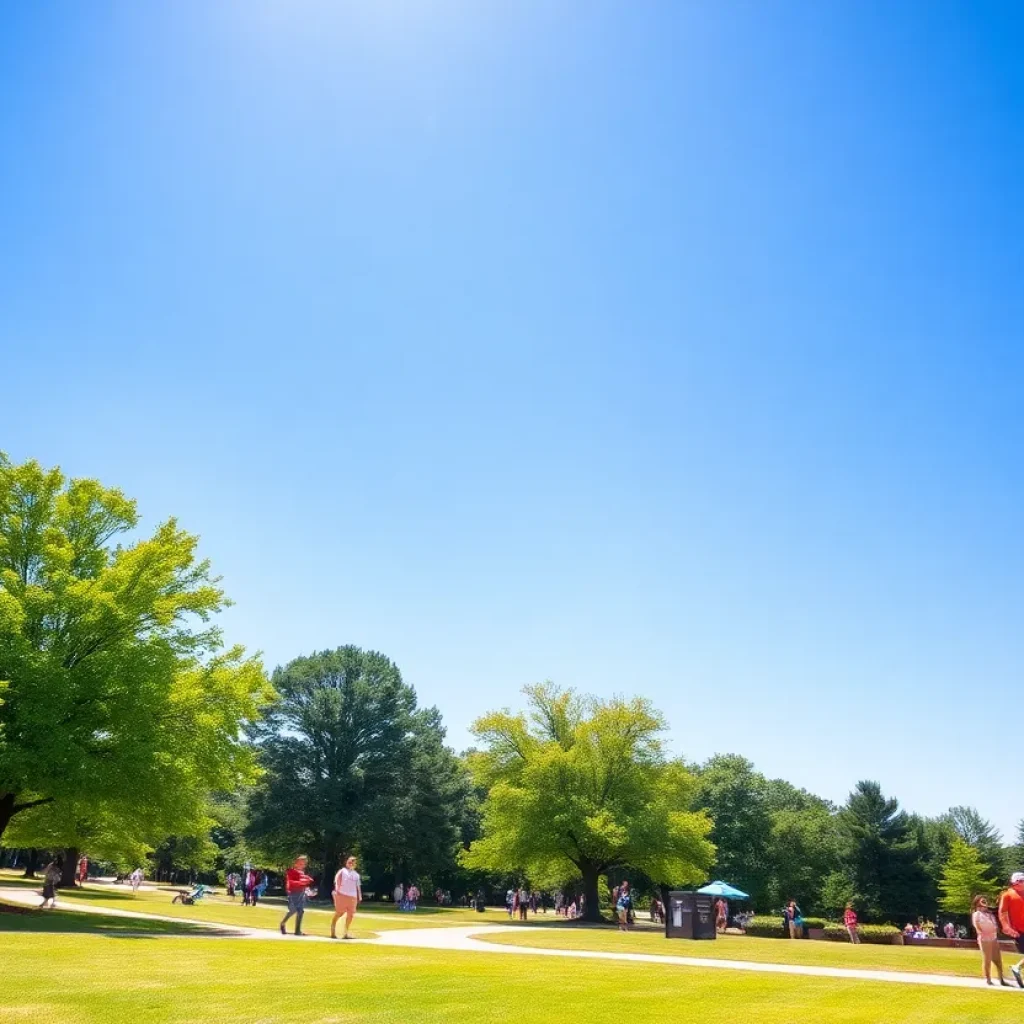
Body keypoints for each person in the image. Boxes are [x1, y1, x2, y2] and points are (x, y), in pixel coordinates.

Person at [972, 894, 1009, 986]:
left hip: (993, 938)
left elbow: (995, 924)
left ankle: (1001, 979)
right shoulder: (976, 914)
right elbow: (976, 925)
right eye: (982, 901)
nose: (985, 902)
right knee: (987, 959)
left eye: (985, 901)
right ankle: (988, 979)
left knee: (998, 960)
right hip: (985, 939)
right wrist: (980, 932)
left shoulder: (989, 914)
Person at [998, 871, 1024, 987]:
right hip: (1019, 930)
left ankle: (1017, 967)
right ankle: (1017, 967)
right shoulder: (1007, 895)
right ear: (1015, 882)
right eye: (1021, 881)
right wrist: (1006, 927)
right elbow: (1003, 912)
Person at [280, 855, 314, 937]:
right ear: (295, 864)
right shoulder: (291, 872)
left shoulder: (302, 873)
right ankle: (286, 925)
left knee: (298, 911)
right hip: (293, 893)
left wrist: (306, 884)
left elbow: (308, 880)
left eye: (303, 864)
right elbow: (291, 882)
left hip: (301, 893)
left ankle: (295, 929)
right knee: (295, 910)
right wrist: (302, 882)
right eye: (300, 864)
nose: (302, 866)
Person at [330, 854, 362, 940]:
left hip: (353, 897)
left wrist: (360, 896)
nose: (351, 863)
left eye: (353, 862)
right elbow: (336, 881)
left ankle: (345, 933)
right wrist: (337, 890)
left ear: (355, 864)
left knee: (350, 915)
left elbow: (358, 887)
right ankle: (333, 932)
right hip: (342, 894)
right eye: (349, 862)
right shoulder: (342, 871)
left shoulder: (356, 875)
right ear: (347, 862)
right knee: (339, 913)